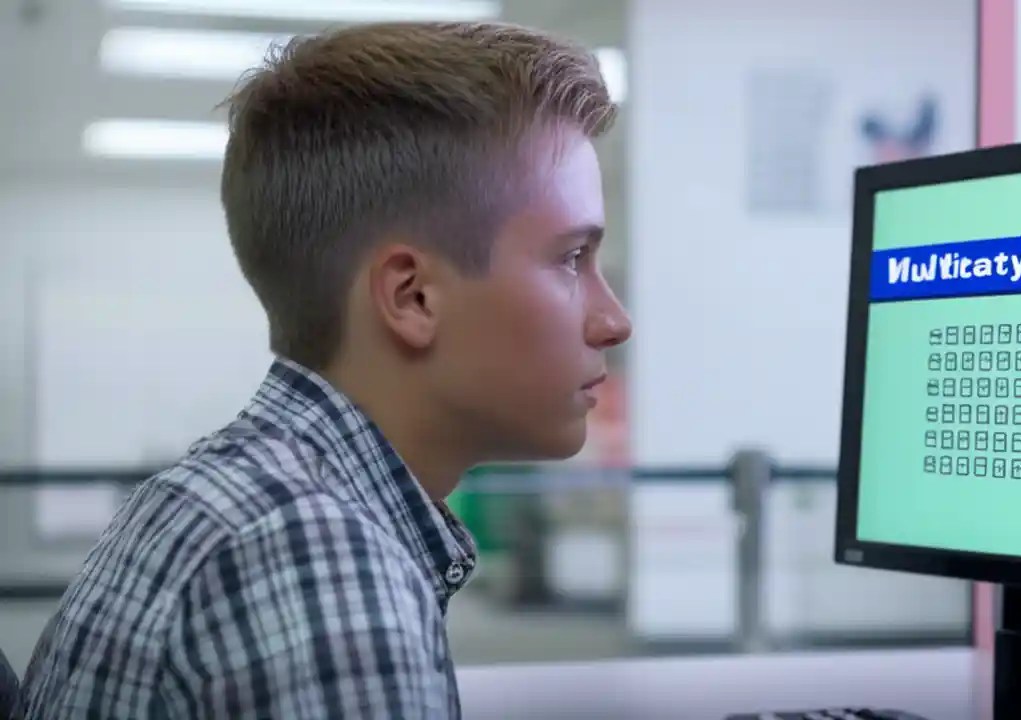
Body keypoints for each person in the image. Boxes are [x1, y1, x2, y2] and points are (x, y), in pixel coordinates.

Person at [19, 20, 631, 719]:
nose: (614, 320)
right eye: (572, 259)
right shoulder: (318, 562)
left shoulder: (221, 498)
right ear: (413, 297)